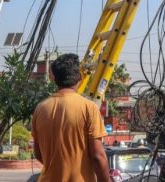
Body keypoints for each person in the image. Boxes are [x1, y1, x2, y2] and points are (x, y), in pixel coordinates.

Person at [31, 53, 110, 182]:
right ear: (79, 77)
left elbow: (39, 154)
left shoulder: (40, 108)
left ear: (54, 78)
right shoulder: (89, 108)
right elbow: (98, 156)